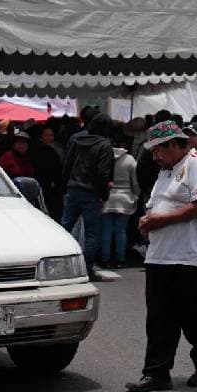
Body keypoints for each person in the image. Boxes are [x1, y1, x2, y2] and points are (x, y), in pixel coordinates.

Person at [124, 121, 197, 392]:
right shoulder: (165, 173)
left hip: (189, 258)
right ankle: (156, 373)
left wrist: (160, 221)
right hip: (159, 258)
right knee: (158, 320)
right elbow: (156, 208)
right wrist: (147, 221)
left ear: (175, 144)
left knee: (194, 318)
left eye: (158, 150)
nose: (155, 157)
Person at [62, 113, 116, 282]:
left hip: (73, 189)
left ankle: (58, 264)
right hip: (91, 193)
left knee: (65, 228)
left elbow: (67, 165)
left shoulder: (77, 140)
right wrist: (104, 194)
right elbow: (103, 173)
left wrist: (67, 185)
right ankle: (87, 268)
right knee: (92, 233)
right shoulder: (105, 145)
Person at [102, 131, 140, 270]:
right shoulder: (129, 159)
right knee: (121, 231)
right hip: (125, 198)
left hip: (107, 198)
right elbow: (135, 181)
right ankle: (120, 259)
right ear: (123, 144)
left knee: (106, 230)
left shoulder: (103, 156)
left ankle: (105, 259)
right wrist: (136, 195)